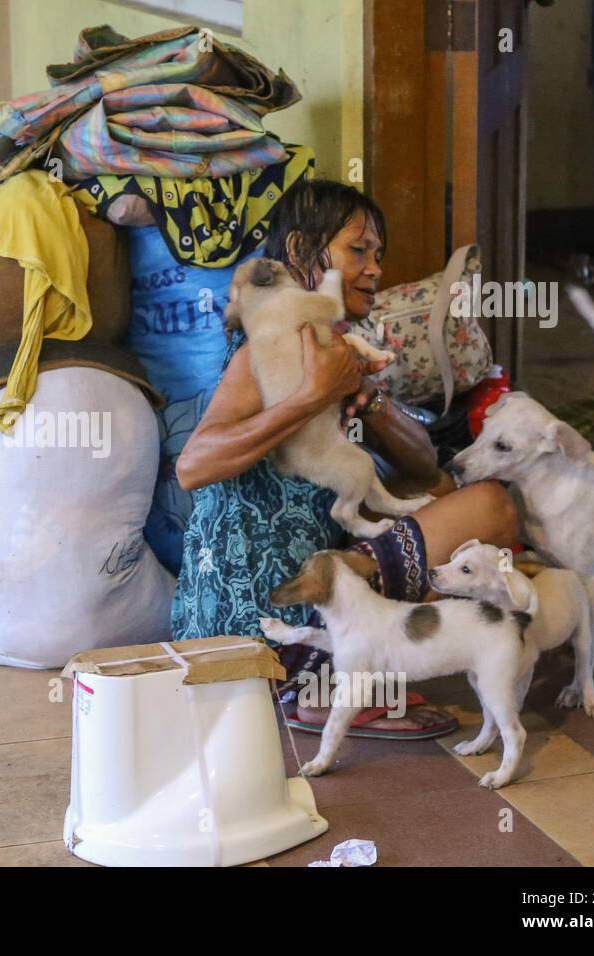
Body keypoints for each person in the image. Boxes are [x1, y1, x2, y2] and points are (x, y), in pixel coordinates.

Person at [172, 178, 518, 738]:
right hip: (256, 618)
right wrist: (310, 397)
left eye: (378, 254)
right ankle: (327, 679)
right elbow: (193, 466)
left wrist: (369, 401)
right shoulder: (270, 345)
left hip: (307, 577)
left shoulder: (332, 343)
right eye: (358, 250)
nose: (376, 268)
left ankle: (343, 667)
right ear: (299, 252)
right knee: (492, 507)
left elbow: (425, 469)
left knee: (452, 494)